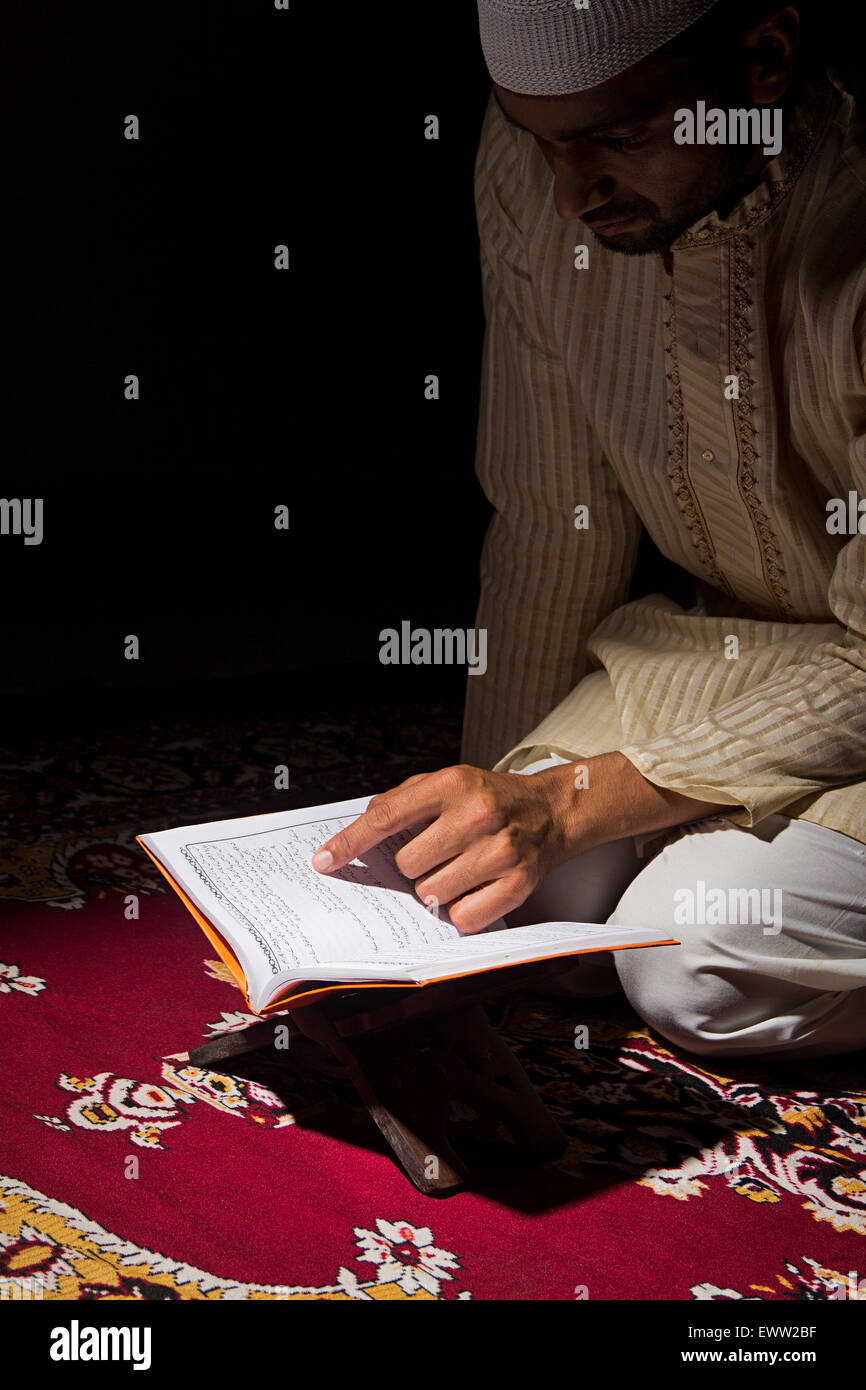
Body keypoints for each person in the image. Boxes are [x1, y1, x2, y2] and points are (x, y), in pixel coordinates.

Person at [312, 1, 866, 1059]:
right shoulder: (544, 167)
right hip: (725, 654)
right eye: (539, 140)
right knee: (510, 906)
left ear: (763, 59)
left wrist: (566, 805)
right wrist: (493, 808)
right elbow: (549, 519)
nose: (570, 198)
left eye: (620, 135)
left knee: (698, 954)